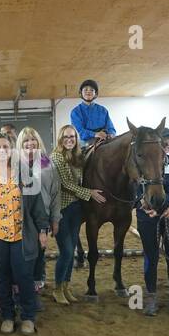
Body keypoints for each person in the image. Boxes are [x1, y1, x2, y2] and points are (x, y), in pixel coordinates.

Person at [0, 132, 49, 334]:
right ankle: (7, 316)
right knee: (2, 278)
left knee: (24, 277)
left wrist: (42, 230)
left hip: (22, 235)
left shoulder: (25, 174)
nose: (2, 151)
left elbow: (37, 205)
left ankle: (28, 316)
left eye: (5, 146)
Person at [51, 124, 105, 305]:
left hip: (75, 209)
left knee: (72, 250)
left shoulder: (77, 156)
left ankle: (65, 286)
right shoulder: (56, 157)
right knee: (66, 251)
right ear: (60, 138)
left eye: (72, 137)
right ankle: (57, 288)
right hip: (61, 209)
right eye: (66, 137)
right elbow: (66, 184)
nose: (69, 140)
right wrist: (89, 193)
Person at [137, 128, 169, 317]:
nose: (168, 143)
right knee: (151, 257)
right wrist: (142, 203)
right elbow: (134, 189)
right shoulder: (142, 163)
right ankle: (151, 297)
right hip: (148, 218)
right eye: (164, 140)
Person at [18, 127, 58, 297]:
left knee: (39, 250)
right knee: (22, 252)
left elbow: (56, 192)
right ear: (21, 143)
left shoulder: (48, 164)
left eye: (33, 139)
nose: (30, 143)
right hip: (20, 217)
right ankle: (19, 285)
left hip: (43, 215)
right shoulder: (13, 164)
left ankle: (36, 282)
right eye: (26, 140)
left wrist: (55, 219)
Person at [70, 79, 117, 147]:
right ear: (81, 93)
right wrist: (95, 134)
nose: (88, 92)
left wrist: (111, 134)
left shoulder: (103, 110)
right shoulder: (75, 112)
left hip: (104, 141)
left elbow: (110, 127)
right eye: (85, 89)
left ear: (96, 94)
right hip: (85, 143)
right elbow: (79, 131)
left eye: (92, 90)